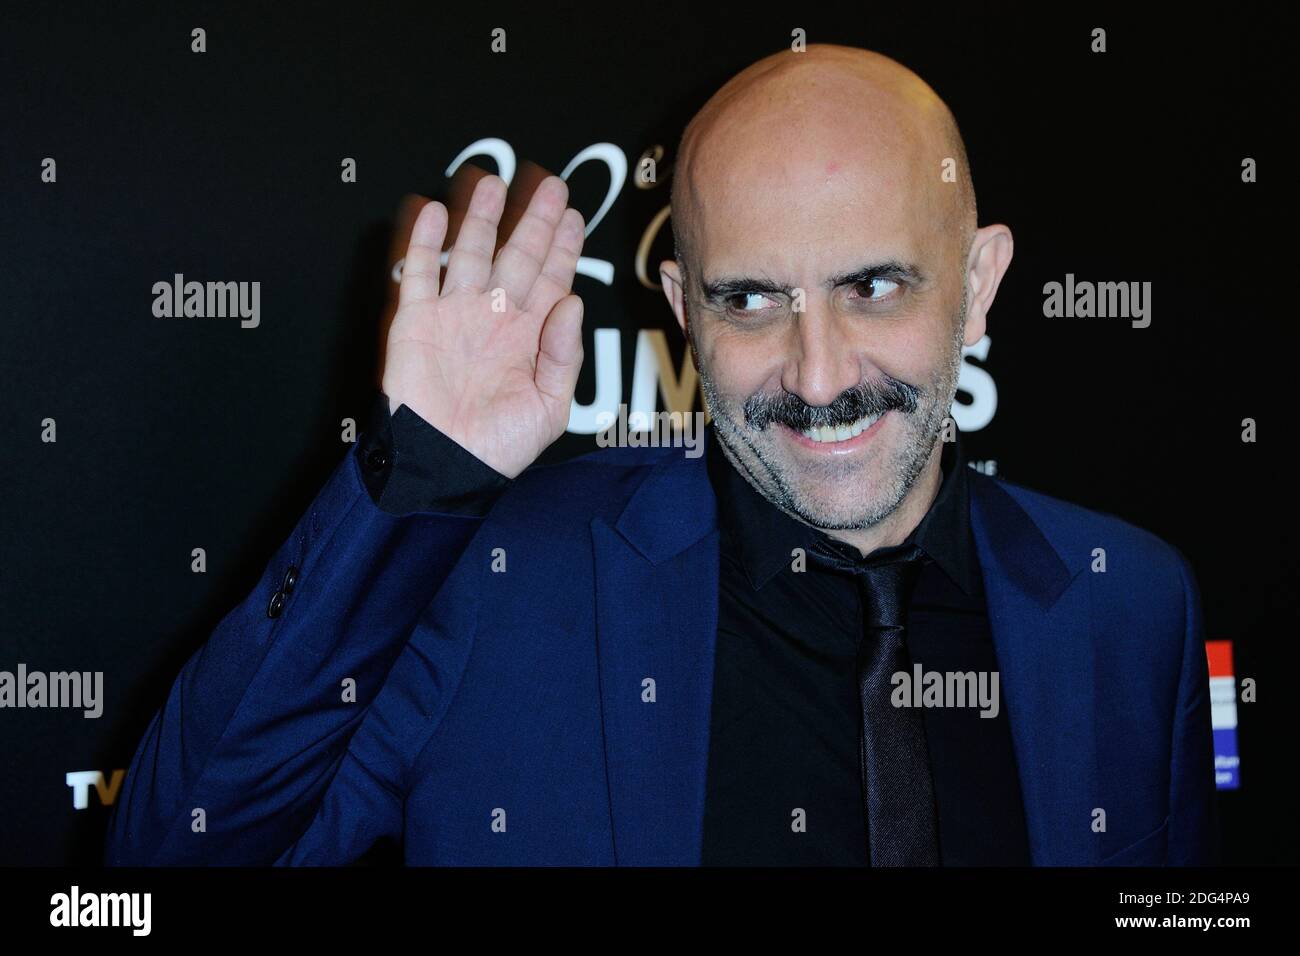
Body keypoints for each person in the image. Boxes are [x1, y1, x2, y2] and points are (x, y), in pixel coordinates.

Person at [104, 43, 1217, 866]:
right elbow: (165, 861)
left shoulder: (1131, 605)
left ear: (976, 285)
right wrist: (424, 473)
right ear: (683, 308)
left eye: (872, 286)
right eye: (749, 299)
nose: (819, 375)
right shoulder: (503, 583)